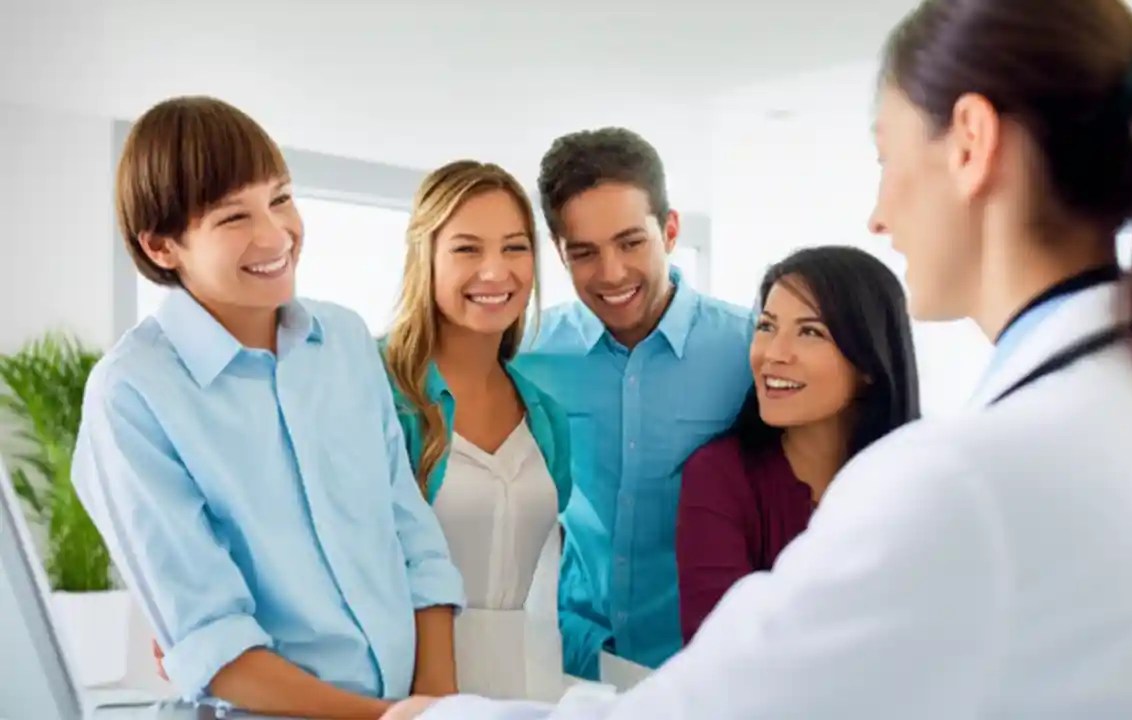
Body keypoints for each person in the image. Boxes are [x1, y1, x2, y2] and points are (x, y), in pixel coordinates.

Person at [381, 0, 1132, 717]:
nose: (879, 215)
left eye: (887, 158)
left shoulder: (961, 480)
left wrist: (423, 717)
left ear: (970, 143)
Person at [71, 96, 465, 719]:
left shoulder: (344, 341)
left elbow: (413, 539)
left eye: (280, 198)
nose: (276, 234)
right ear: (162, 247)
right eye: (233, 217)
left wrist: (440, 706)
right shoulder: (132, 394)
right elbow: (210, 640)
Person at [513, 128, 755, 677]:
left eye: (630, 242)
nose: (612, 273)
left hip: (705, 666)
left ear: (669, 231)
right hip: (578, 657)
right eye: (585, 253)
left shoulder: (748, 349)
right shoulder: (529, 356)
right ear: (559, 253)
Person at [381, 161, 572, 701]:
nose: (496, 271)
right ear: (426, 257)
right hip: (412, 695)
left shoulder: (547, 419)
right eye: (467, 249)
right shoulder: (378, 392)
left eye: (515, 247)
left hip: (535, 689)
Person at [676, 245, 920, 642]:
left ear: (869, 362)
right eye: (767, 326)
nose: (773, 354)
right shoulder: (719, 476)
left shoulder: (919, 479)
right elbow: (719, 651)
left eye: (810, 332)